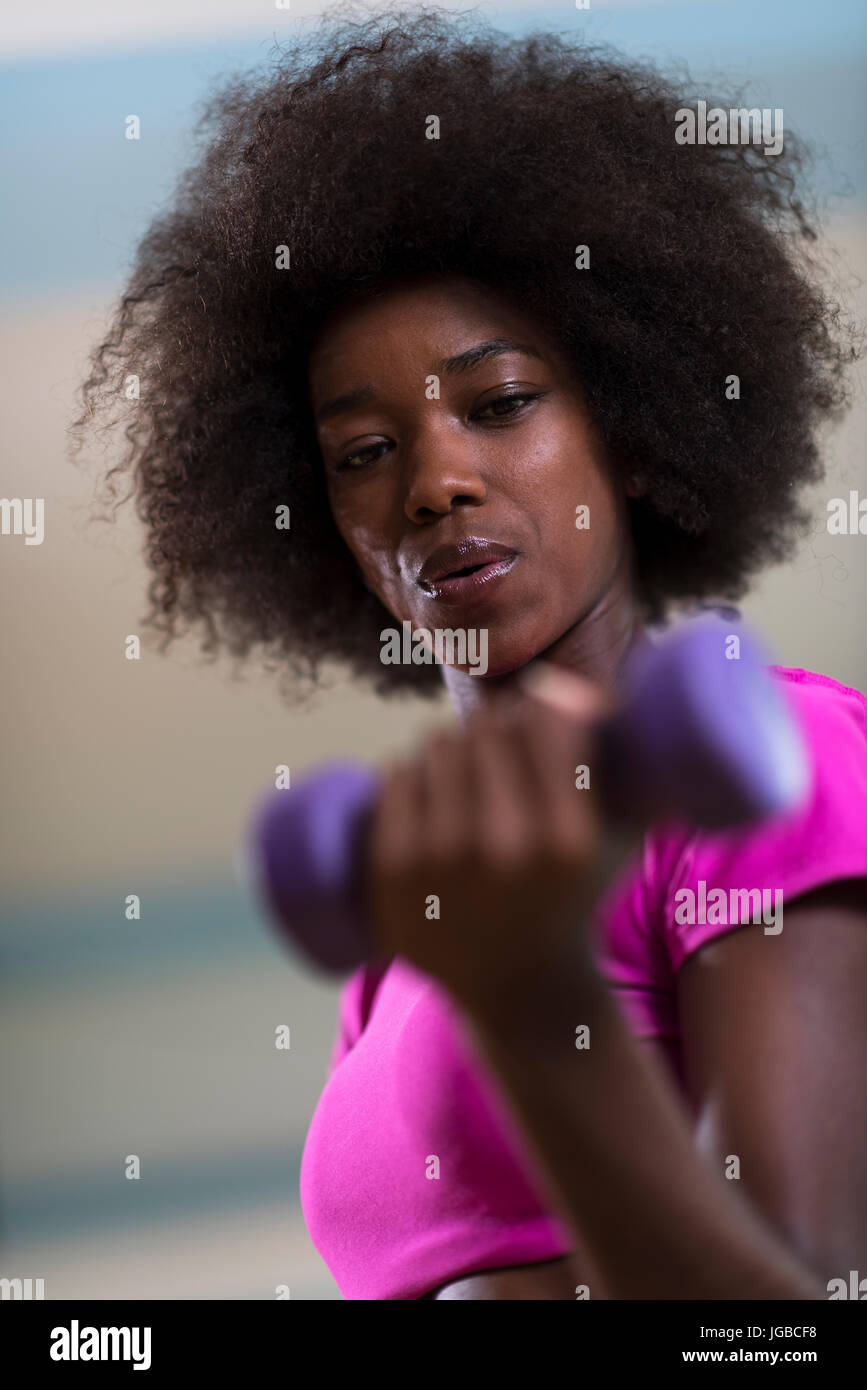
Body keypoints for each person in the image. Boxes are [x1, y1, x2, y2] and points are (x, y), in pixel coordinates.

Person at [72, 8, 867, 1300]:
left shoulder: (784, 765)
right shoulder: (398, 944)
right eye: (364, 455)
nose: (436, 484)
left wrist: (533, 993)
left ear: (637, 433)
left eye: (499, 405)